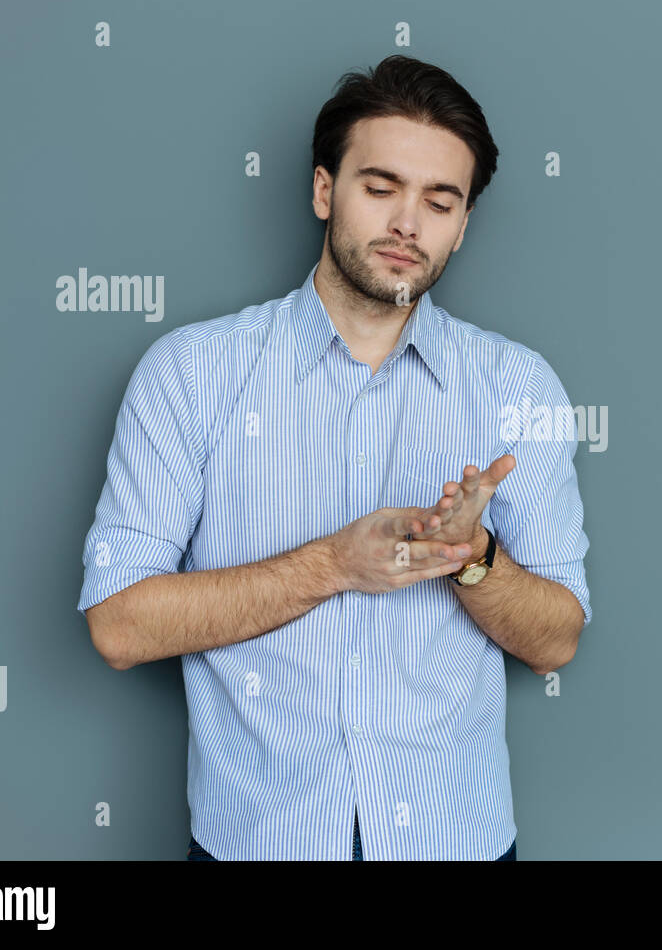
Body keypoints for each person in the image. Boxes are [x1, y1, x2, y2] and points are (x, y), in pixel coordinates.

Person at [77, 55, 591, 860]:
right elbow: (117, 624)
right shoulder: (191, 374)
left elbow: (556, 638)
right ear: (325, 190)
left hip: (458, 841)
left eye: (439, 201)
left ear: (463, 226)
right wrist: (334, 565)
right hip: (258, 842)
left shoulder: (517, 387)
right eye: (380, 187)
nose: (407, 225)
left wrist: (475, 560)